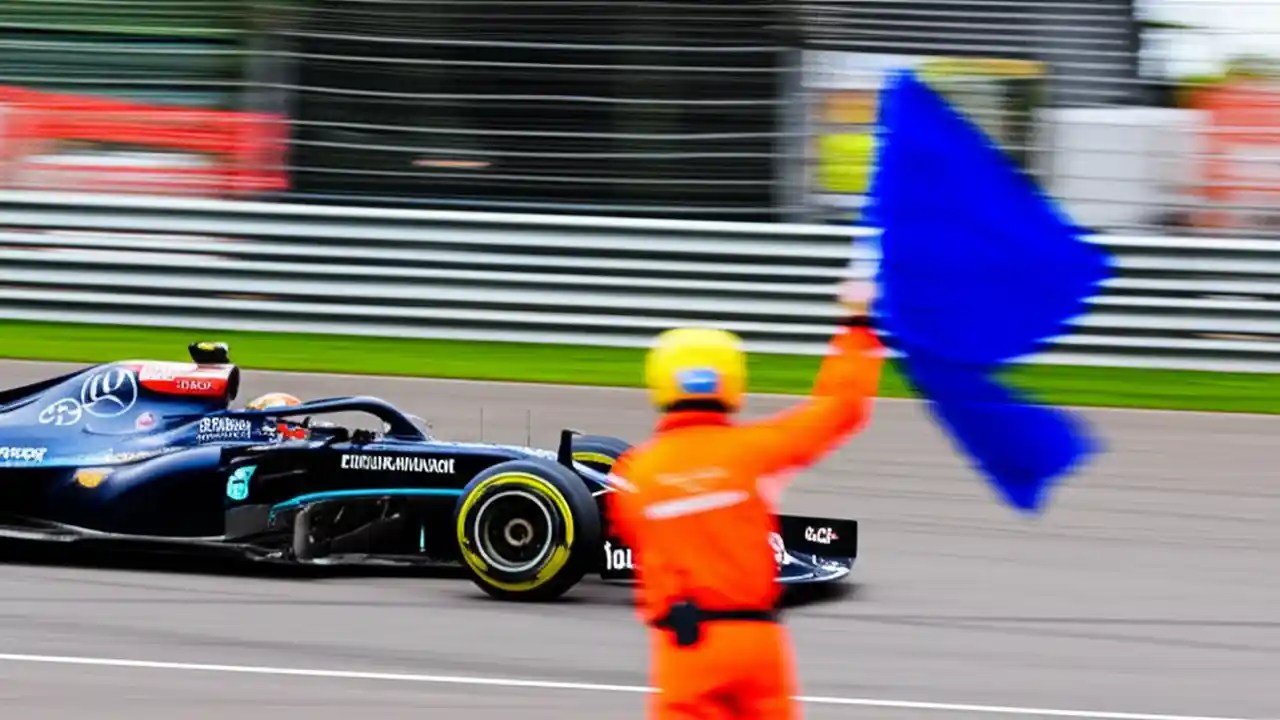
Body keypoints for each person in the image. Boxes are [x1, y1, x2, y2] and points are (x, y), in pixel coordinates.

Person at [604, 276, 884, 720]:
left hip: (686, 647)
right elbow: (842, 408)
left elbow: (626, 533)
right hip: (758, 642)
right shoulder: (754, 452)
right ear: (733, 382)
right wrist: (856, 321)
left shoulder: (635, 474)